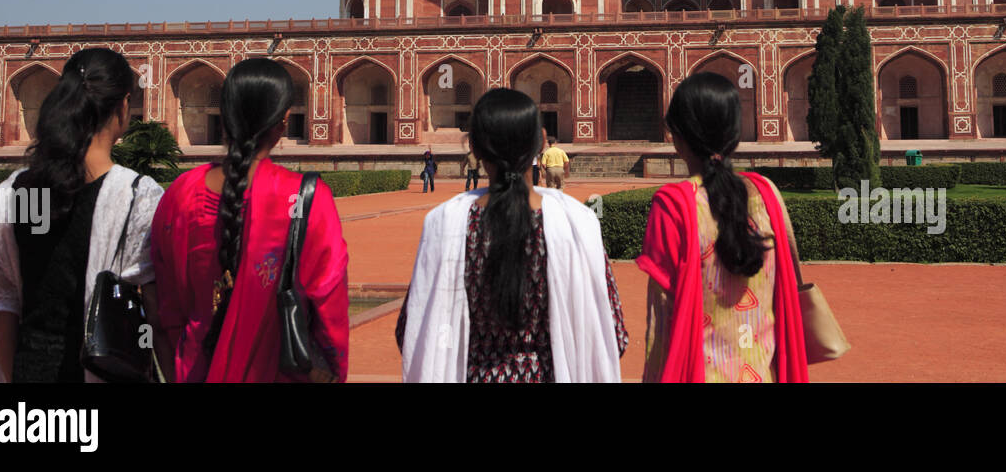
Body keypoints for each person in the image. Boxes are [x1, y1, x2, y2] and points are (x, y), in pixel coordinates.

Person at [397, 88, 628, 382]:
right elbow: (612, 335)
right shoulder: (576, 223)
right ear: (541, 143)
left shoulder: (445, 224)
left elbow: (412, 330)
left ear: (474, 148)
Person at [150, 57, 350, 382]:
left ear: (224, 118)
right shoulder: (304, 198)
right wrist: (332, 374)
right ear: (283, 122)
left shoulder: (180, 193)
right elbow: (329, 307)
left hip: (195, 368)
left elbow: (166, 307)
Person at [0, 48, 165, 383]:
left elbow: (2, 303)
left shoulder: (14, 192)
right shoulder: (137, 195)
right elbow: (156, 313)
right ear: (123, 106)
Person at [638, 71, 808, 383]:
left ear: (676, 135)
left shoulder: (675, 205)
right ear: (735, 134)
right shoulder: (766, 194)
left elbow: (661, 323)